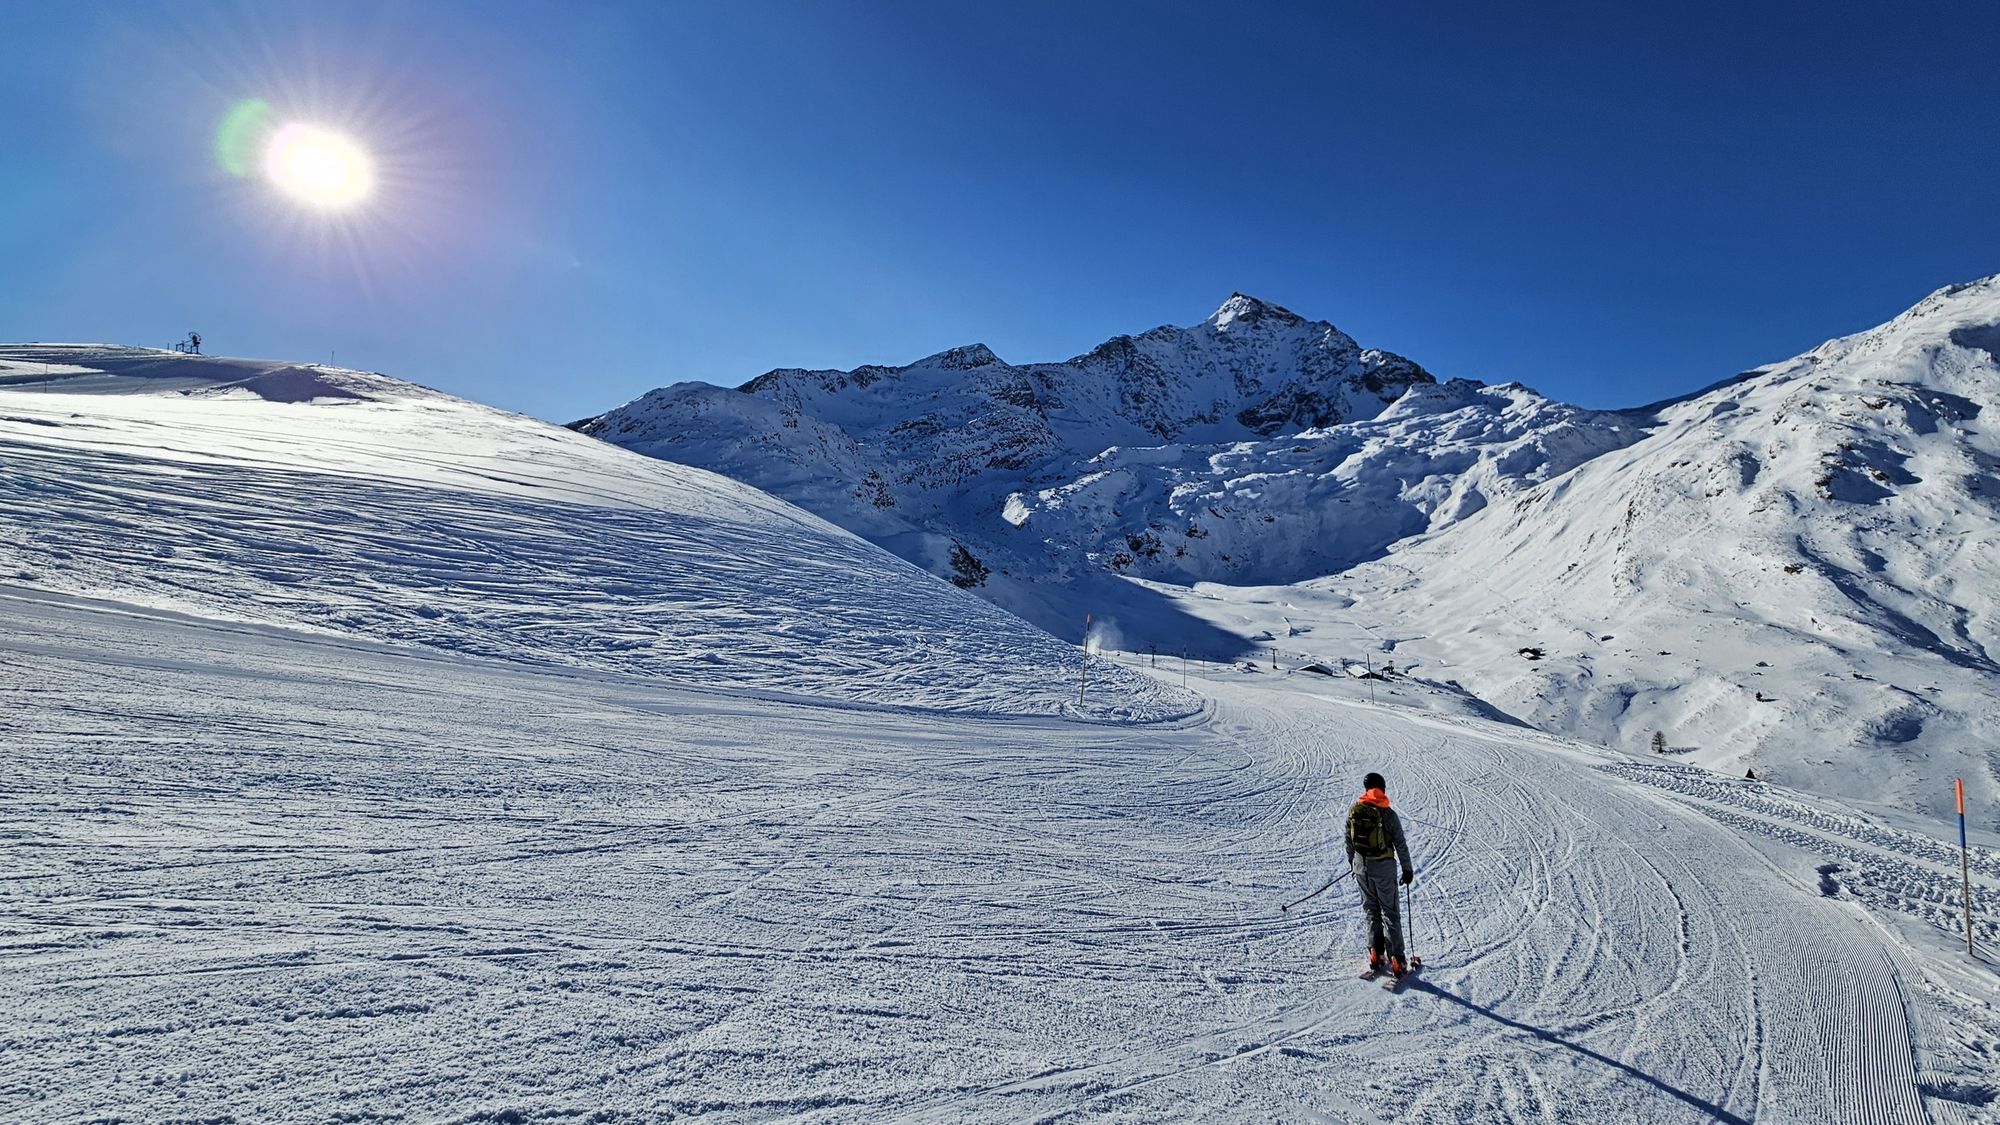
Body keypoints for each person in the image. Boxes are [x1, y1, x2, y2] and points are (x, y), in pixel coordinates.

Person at [1346, 771, 1415, 978]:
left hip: (1361, 870)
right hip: (1383, 870)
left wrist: (1354, 864)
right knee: (1390, 913)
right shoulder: (1388, 813)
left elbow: (1348, 841)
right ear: (1382, 789)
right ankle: (1397, 959)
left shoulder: (1354, 810)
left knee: (1371, 910)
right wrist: (1407, 869)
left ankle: (1375, 952)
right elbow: (1400, 844)